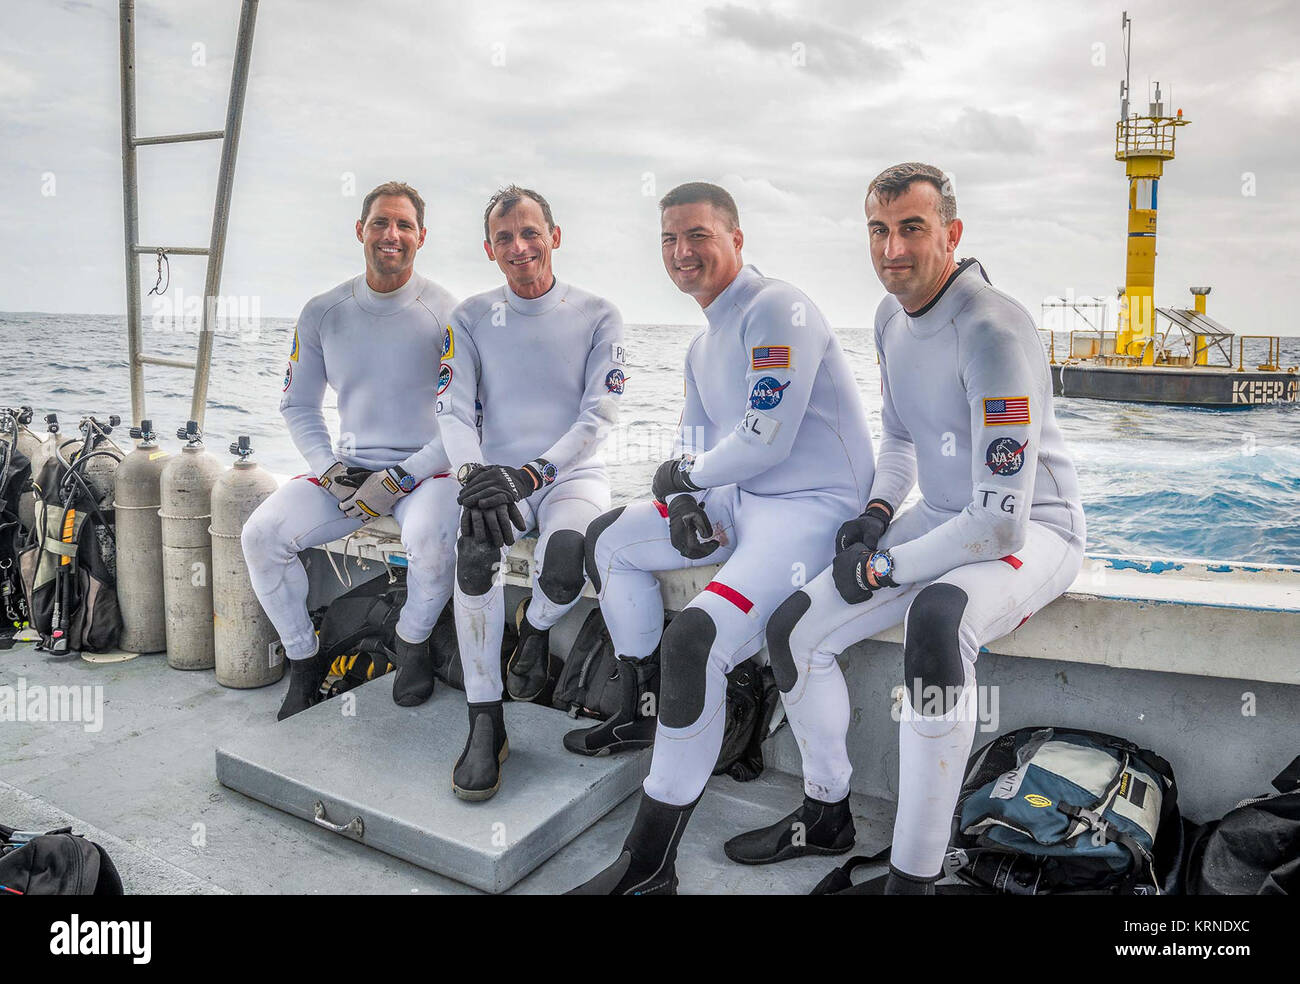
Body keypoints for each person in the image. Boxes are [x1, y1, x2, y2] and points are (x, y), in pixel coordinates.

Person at [731, 162, 1087, 894]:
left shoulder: (991, 330)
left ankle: (913, 878)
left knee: (936, 618)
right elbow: (897, 440)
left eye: (912, 229)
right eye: (879, 230)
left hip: (1037, 528)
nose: (892, 248)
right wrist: (875, 517)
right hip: (946, 514)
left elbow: (999, 524)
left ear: (951, 234)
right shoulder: (890, 317)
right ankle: (825, 811)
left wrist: (889, 568)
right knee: (793, 626)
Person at [567, 182, 875, 894]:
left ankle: (649, 865)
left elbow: (766, 439)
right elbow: (696, 443)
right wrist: (684, 499)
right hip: (744, 497)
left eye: (697, 236)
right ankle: (642, 712)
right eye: (669, 240)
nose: (682, 253)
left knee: (697, 641)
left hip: (811, 508)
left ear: (736, 237)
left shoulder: (779, 308)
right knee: (609, 540)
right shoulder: (704, 344)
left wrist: (685, 477)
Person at [242, 182, 460, 722]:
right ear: (360, 230)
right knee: (261, 536)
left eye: (404, 225)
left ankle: (412, 644)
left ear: (422, 237)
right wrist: (332, 471)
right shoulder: (323, 312)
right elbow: (297, 406)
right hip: (350, 470)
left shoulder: (450, 312)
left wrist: (402, 478)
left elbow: (465, 417)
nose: (392, 235)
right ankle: (305, 661)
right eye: (381, 223)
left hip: (428, 471)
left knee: (432, 541)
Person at [438, 185, 625, 801]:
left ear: (555, 236)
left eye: (530, 233)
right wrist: (473, 480)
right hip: (495, 480)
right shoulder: (467, 318)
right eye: (504, 238)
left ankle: (537, 625)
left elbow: (599, 414)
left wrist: (535, 473)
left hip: (570, 476)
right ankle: (485, 720)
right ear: (489, 250)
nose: (519, 247)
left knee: (567, 562)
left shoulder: (598, 314)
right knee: (473, 554)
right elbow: (453, 409)